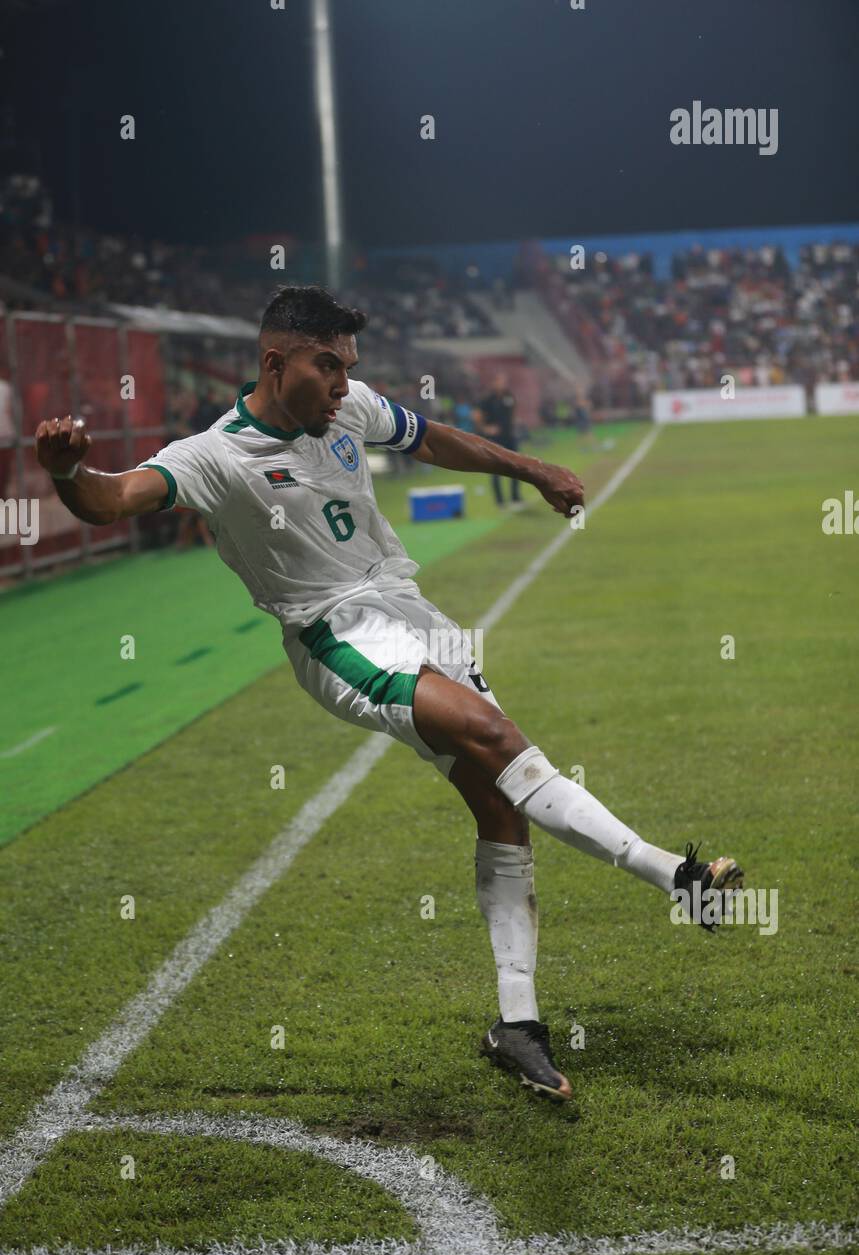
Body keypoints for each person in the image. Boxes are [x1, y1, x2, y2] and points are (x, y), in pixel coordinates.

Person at [35, 285, 743, 1103]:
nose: (343, 385)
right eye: (327, 366)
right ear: (275, 363)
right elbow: (111, 499)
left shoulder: (348, 409)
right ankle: (675, 877)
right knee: (494, 737)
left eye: (348, 367)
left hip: (415, 615)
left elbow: (429, 437)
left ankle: (516, 1026)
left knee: (498, 801)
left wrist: (530, 468)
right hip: (335, 634)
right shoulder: (213, 456)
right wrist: (66, 470)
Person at [479, 373, 522, 507]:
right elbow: (477, 415)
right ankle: (500, 501)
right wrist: (485, 428)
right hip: (496, 438)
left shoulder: (509, 395)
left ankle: (515, 497)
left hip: (510, 436)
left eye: (503, 381)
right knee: (496, 469)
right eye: (498, 381)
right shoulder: (488, 399)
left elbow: (513, 411)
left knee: (516, 467)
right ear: (493, 383)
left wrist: (514, 425)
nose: (501, 384)